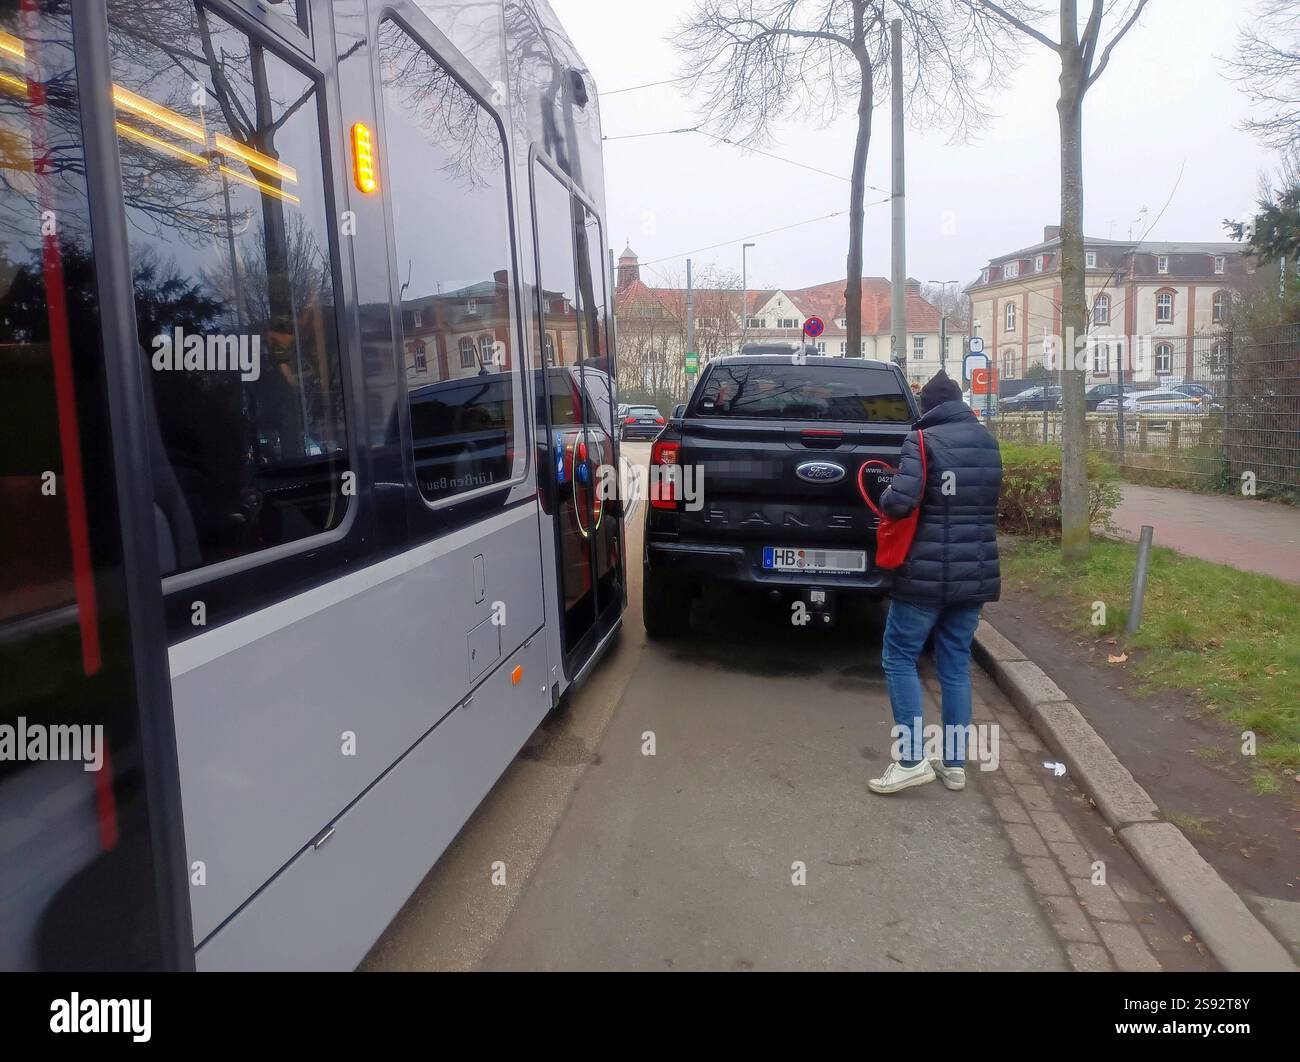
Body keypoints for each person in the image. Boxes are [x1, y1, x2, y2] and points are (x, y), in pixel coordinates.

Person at [868, 370, 1003, 795]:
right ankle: (954, 764)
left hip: (925, 573)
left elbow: (902, 502)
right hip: (975, 572)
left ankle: (911, 760)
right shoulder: (988, 442)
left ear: (927, 407)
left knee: (899, 657)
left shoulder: (921, 441)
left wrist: (885, 495)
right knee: (955, 666)